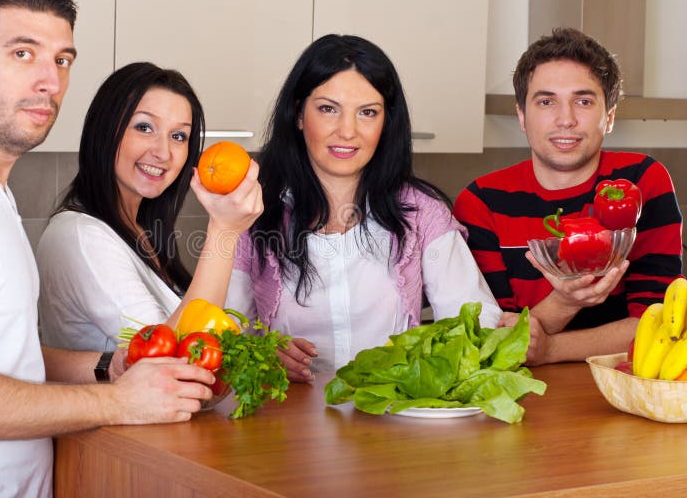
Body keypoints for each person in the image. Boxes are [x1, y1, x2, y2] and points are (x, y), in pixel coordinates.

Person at [0, 0, 217, 497]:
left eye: (62, 60)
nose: (50, 81)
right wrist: (121, 402)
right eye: (23, 53)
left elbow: (0, 354)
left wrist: (110, 366)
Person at [225, 34, 502, 383]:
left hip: (393, 422)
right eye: (328, 109)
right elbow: (221, 334)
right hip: (286, 425)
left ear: (386, 123)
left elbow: (477, 324)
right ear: (298, 114)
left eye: (368, 113)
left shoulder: (424, 215)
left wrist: (431, 357)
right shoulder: (251, 214)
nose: (347, 131)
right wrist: (263, 352)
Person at [453, 27, 683, 366]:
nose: (566, 120)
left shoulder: (642, 182)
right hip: (519, 397)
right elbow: (499, 339)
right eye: (546, 101)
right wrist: (566, 301)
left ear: (610, 117)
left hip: (623, 389)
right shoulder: (481, 201)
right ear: (521, 115)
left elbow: (660, 323)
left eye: (584, 101)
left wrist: (550, 349)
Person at [37, 62, 263, 353]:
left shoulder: (140, 231)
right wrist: (224, 232)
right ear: (104, 130)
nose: (163, 152)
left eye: (178, 136)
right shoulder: (81, 236)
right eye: (144, 127)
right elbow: (175, 359)